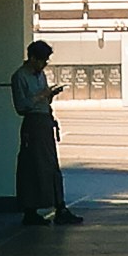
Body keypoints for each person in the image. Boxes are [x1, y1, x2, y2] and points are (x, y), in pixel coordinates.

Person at [10, 37, 82, 225]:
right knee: (33, 166)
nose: (44, 64)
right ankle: (32, 208)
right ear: (33, 58)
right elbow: (21, 106)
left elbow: (43, 99)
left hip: (44, 120)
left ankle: (57, 204)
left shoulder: (40, 75)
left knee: (50, 166)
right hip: (33, 124)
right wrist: (40, 96)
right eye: (42, 60)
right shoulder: (19, 77)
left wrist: (49, 96)